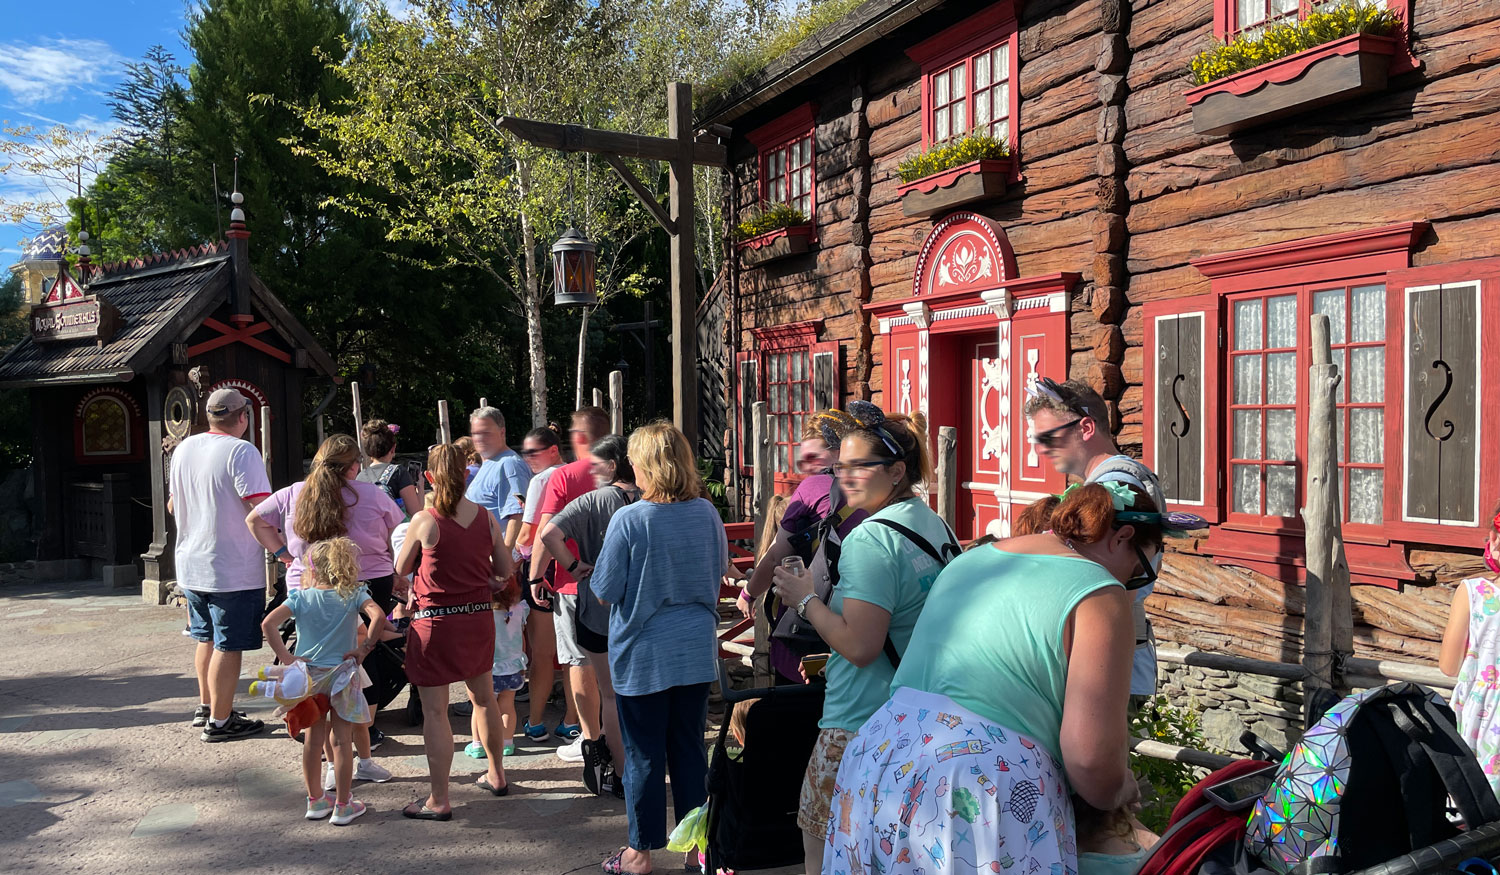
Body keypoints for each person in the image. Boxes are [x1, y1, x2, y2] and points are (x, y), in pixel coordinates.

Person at [822, 483, 1164, 875]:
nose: (1133, 587)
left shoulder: (976, 559)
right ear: (1123, 538)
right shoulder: (1099, 593)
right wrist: (1119, 786)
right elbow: (1090, 761)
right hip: (978, 781)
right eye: (1139, 570)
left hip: (879, 757)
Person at [770, 403, 952, 875]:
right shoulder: (931, 522)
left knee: (822, 848)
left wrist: (804, 599)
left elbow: (860, 646)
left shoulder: (870, 539)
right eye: (839, 466)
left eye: (858, 467)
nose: (843, 478)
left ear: (895, 471)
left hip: (858, 723)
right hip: (917, 711)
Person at [589, 422, 728, 875]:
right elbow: (719, 570)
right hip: (694, 648)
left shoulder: (630, 519)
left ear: (645, 464)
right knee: (689, 750)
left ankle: (639, 852)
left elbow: (606, 590)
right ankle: (695, 850)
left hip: (644, 652)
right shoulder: (706, 512)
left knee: (644, 754)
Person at [248, 433, 404, 784]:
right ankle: (362, 743)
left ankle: (327, 754)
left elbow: (254, 520)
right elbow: (400, 529)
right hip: (365, 583)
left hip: (307, 586)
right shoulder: (369, 493)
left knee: (317, 662)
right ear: (353, 466)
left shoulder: (292, 493)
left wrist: (283, 554)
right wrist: (397, 569)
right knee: (367, 664)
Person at [1023, 376, 1166, 707]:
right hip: (1111, 656)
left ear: (1085, 428)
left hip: (1102, 664)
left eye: (1050, 437)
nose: (1042, 449)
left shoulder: (1117, 490)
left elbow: (1099, 585)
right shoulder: (1122, 481)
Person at [395, 443, 515, 819]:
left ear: (429, 478)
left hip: (436, 622)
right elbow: (505, 568)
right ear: (466, 474)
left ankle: (439, 798)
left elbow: (401, 567)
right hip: (477, 618)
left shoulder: (425, 520)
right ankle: (496, 774)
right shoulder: (485, 517)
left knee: (436, 712)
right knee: (484, 698)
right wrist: (485, 578)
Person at [257, 537, 387, 826]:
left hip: (310, 679)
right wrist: (364, 650)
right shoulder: (354, 594)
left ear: (311, 569)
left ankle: (315, 800)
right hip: (343, 675)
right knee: (342, 742)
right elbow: (377, 616)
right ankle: (343, 804)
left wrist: (287, 658)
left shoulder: (301, 597)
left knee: (313, 742)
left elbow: (268, 624)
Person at [535, 433, 639, 794]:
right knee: (639, 693)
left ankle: (623, 775)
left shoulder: (591, 501)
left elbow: (549, 534)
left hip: (597, 608)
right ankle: (644, 765)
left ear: (612, 466)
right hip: (642, 610)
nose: (591, 473)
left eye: (596, 466)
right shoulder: (653, 498)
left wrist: (574, 565)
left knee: (610, 695)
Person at [169, 387, 272, 742]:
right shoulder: (242, 451)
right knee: (229, 643)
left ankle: (207, 706)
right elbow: (260, 509)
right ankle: (222, 720)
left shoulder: (184, 448)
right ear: (243, 416)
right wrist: (284, 546)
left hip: (190, 561)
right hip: (230, 564)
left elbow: (172, 505)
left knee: (206, 637)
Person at [743, 414, 868, 685]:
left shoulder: (811, 488)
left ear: (838, 450)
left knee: (802, 709)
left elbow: (778, 555)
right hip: (865, 616)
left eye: (812, 458)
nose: (804, 466)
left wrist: (748, 593)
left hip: (813, 624)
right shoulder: (874, 490)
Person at [527, 406, 611, 756]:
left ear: (578, 438)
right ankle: (615, 730)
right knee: (615, 659)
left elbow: (546, 533)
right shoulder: (627, 472)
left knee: (578, 661)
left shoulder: (563, 477)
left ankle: (590, 737)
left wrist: (534, 577)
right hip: (618, 584)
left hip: (573, 582)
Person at [1440, 499, 1500, 799]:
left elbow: (1449, 666)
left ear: (1493, 540)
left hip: (1481, 718)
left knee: (1475, 813)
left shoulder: (1474, 593)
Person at [515, 424, 565, 715]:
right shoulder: (577, 473)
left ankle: (535, 719)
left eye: (534, 453)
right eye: (525, 453)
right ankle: (574, 719)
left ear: (553, 450)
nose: (528, 458)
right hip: (574, 567)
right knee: (575, 653)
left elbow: (527, 534)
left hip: (543, 568)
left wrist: (510, 561)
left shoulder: (541, 480)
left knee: (542, 652)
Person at [466, 575, 528, 761]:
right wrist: (523, 661)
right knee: (507, 707)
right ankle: (507, 743)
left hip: (488, 670)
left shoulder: (482, 613)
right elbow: (522, 639)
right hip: (514, 667)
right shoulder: (519, 610)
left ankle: (478, 745)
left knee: (481, 708)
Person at [466, 406, 533, 552]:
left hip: (496, 561)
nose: (479, 438)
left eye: (486, 433)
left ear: (502, 432)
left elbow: (519, 512)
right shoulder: (491, 462)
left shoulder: (510, 465)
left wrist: (505, 559)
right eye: (476, 433)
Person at [357, 419, 420, 516]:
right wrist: (420, 488)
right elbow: (416, 513)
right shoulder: (399, 473)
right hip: (394, 530)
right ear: (393, 448)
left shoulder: (360, 477)